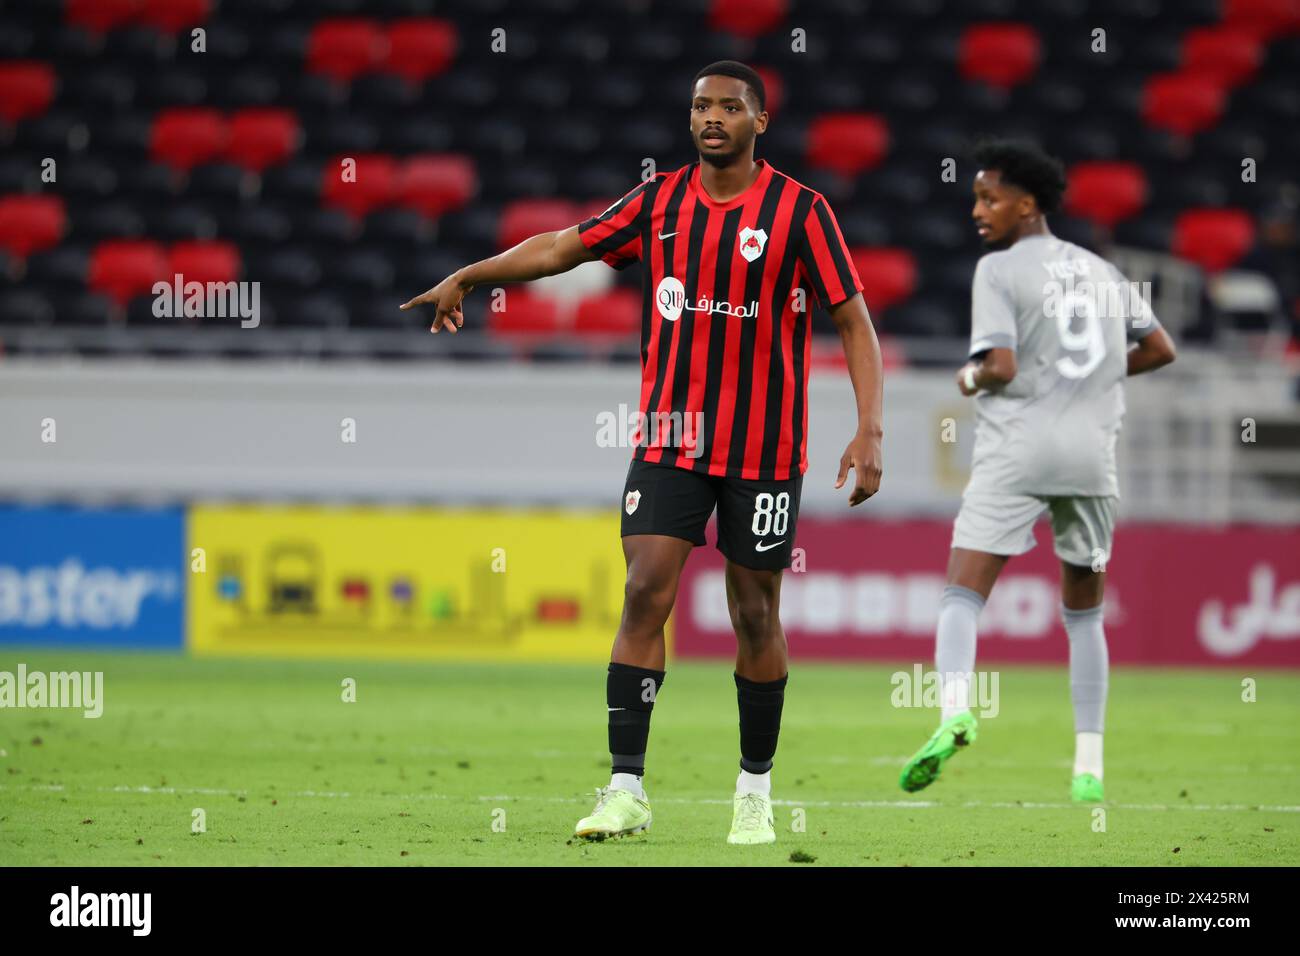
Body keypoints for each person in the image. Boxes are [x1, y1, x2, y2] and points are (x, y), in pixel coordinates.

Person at [401, 60, 884, 844]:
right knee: (642, 591)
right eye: (701, 106)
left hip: (764, 448)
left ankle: (754, 791)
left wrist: (869, 428)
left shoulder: (802, 211)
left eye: (730, 106)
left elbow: (853, 320)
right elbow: (562, 248)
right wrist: (468, 274)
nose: (713, 117)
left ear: (761, 121)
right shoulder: (657, 203)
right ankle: (626, 788)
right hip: (670, 438)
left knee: (755, 612)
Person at [898, 139, 1177, 803]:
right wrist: (1099, 376)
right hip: (1090, 457)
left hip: (1017, 452)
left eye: (989, 197)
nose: (977, 209)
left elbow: (999, 367)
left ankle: (956, 711)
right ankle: (1088, 768)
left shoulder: (997, 271)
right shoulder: (1103, 272)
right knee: (1084, 617)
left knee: (962, 595)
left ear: (1028, 204)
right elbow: (1161, 347)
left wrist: (966, 379)